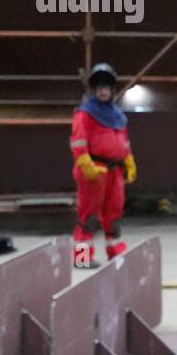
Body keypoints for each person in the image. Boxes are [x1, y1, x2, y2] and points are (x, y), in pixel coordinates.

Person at [70, 63, 137, 267]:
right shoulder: (85, 114)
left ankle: (116, 253)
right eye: (99, 87)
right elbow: (78, 143)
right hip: (94, 172)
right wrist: (86, 165)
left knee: (113, 216)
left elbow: (124, 142)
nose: (103, 91)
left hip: (114, 172)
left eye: (106, 87)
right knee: (88, 218)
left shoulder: (118, 116)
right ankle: (82, 259)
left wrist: (128, 161)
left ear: (112, 90)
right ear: (94, 90)